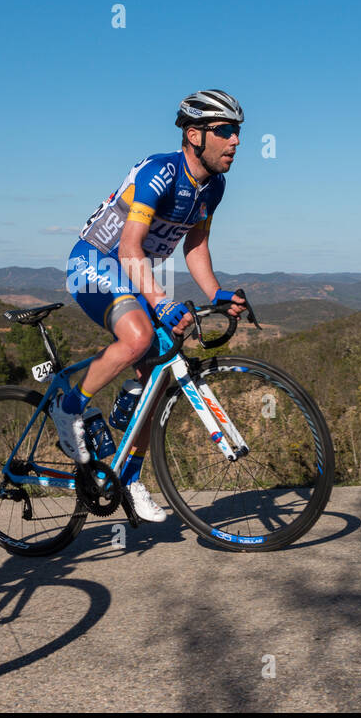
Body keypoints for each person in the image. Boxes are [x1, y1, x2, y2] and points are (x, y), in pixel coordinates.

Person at [57, 90, 249, 522]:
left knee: (158, 372)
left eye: (238, 131)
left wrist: (216, 293)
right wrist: (160, 302)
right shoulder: (160, 172)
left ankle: (128, 475)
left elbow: (195, 246)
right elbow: (129, 244)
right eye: (226, 130)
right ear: (194, 135)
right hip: (95, 260)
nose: (235, 140)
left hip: (135, 269)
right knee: (140, 335)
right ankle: (68, 410)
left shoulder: (214, 186)